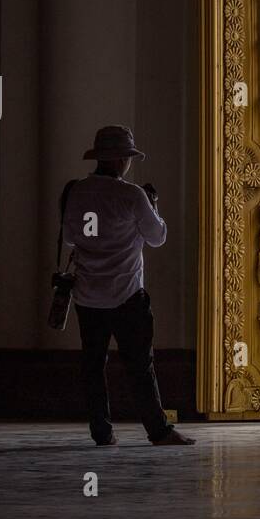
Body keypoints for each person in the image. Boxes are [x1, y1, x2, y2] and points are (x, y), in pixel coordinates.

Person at [62, 125, 194, 447]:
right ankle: (158, 431)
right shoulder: (132, 195)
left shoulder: (76, 191)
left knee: (93, 366)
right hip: (126, 296)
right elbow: (157, 237)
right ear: (122, 160)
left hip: (88, 296)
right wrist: (152, 205)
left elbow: (68, 239)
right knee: (139, 365)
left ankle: (102, 432)